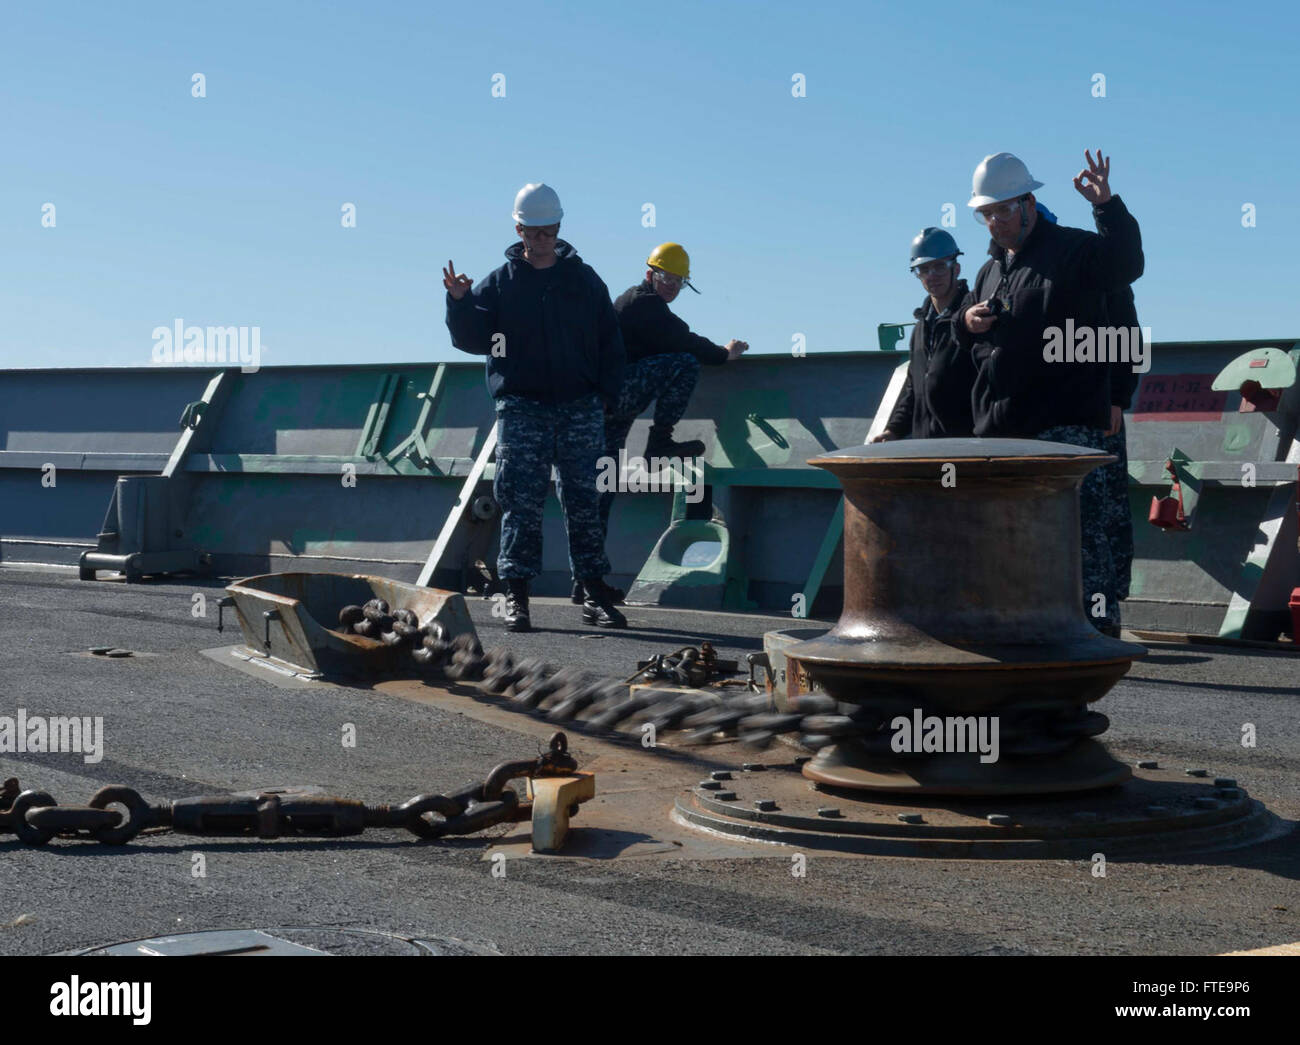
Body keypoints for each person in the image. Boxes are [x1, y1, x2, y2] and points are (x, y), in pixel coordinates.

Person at [953, 150, 1144, 635]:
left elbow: (1126, 265)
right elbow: (978, 347)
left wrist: (1106, 205)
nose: (995, 221)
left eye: (1003, 209)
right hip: (1005, 428)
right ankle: (1029, 630)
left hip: (1068, 424)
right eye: (986, 213)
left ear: (1029, 204)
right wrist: (966, 323)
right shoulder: (989, 273)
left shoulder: (1074, 252)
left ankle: (1098, 637)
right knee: (1013, 536)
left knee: (1082, 536)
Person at [443, 182, 628, 632]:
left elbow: (610, 343)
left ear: (559, 228)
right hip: (522, 407)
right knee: (520, 501)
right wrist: (460, 302)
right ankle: (517, 594)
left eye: (548, 231)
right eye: (533, 231)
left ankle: (592, 590)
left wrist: (607, 396)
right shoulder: (500, 284)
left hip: (580, 407)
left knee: (585, 500)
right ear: (518, 228)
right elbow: (472, 339)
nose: (541, 239)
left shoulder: (584, 282)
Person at [573, 243, 747, 604]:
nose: (671, 286)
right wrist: (724, 354)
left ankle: (586, 582)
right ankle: (660, 440)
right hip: (611, 398)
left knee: (601, 493)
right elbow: (683, 340)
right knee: (683, 363)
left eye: (679, 282)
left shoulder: (639, 307)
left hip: (605, 413)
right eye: (666, 278)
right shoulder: (641, 303)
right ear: (650, 274)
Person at [1036, 202, 1140, 606]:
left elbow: (1127, 338)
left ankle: (1107, 605)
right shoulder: (1029, 278)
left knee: (1106, 510)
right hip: (1058, 415)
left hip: (1099, 413)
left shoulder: (1095, 273)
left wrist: (1117, 399)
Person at [871, 227, 976, 441]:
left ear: (956, 268)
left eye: (939, 266)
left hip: (966, 448)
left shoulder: (973, 319)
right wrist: (895, 430)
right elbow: (913, 389)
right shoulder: (921, 328)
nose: (931, 275)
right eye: (923, 269)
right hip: (925, 448)